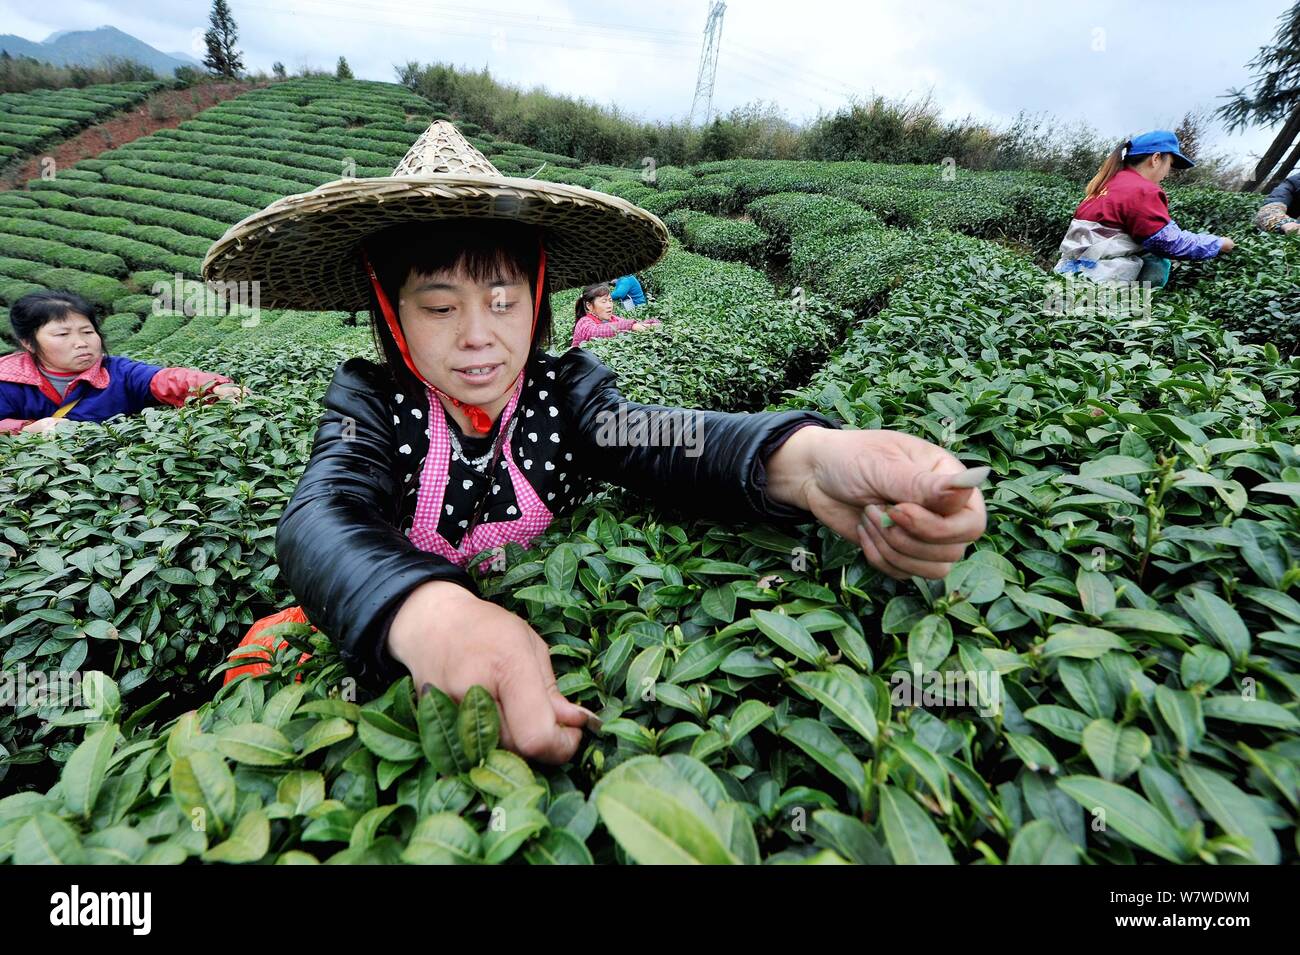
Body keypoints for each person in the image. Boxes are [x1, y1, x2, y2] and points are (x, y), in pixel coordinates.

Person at [206, 120, 988, 766]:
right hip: (377, 638)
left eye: (504, 301)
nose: (479, 337)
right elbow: (322, 515)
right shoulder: (368, 405)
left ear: (539, 297)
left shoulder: (567, 396)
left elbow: (668, 439)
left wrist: (811, 463)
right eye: (440, 307)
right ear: (391, 309)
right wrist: (434, 616)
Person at [0, 289, 247, 435]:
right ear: (29, 343)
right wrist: (27, 429)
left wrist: (215, 387)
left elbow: (163, 379)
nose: (81, 342)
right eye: (63, 334)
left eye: (87, 332)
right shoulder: (7, 381)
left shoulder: (117, 372)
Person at [1053, 130, 1234, 288]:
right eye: (1169, 164)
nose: (1167, 173)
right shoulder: (1143, 190)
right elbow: (1168, 243)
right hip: (1100, 288)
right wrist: (1218, 244)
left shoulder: (1104, 184)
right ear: (1156, 159)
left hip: (1065, 278)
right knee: (1157, 260)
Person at [570, 282, 659, 348]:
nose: (609, 305)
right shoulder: (584, 322)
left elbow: (629, 325)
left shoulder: (612, 319)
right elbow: (595, 332)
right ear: (589, 305)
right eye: (604, 301)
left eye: (610, 301)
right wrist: (631, 326)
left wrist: (651, 323)